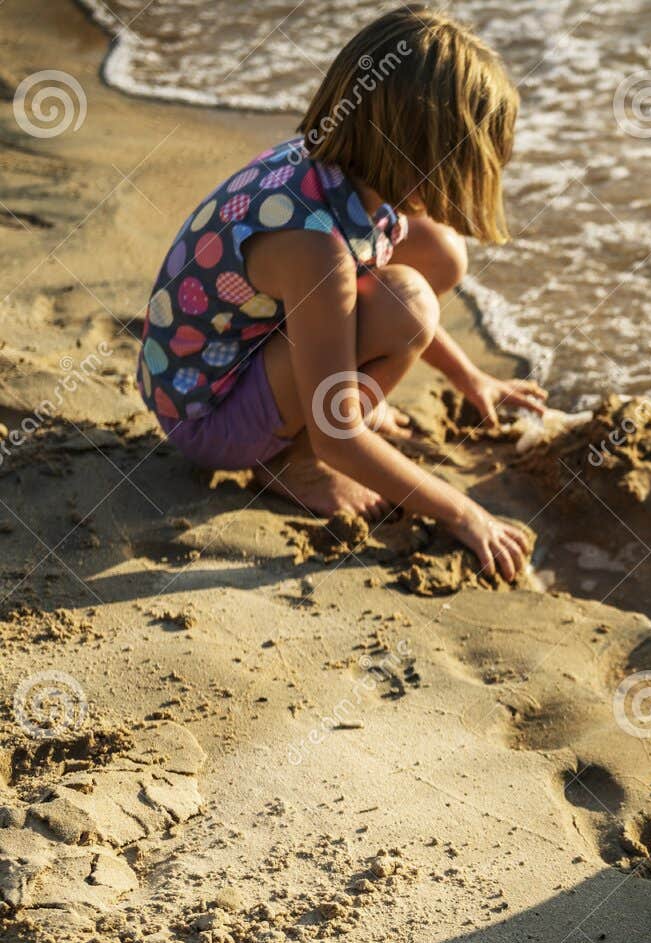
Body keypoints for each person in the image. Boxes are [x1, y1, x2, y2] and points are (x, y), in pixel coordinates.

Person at [136, 6, 543, 579]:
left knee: (438, 253)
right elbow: (339, 437)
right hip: (207, 417)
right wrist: (464, 513)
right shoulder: (314, 247)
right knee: (409, 304)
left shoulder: (326, 166)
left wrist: (468, 377)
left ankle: (311, 408)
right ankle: (292, 464)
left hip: (221, 356)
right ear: (422, 156)